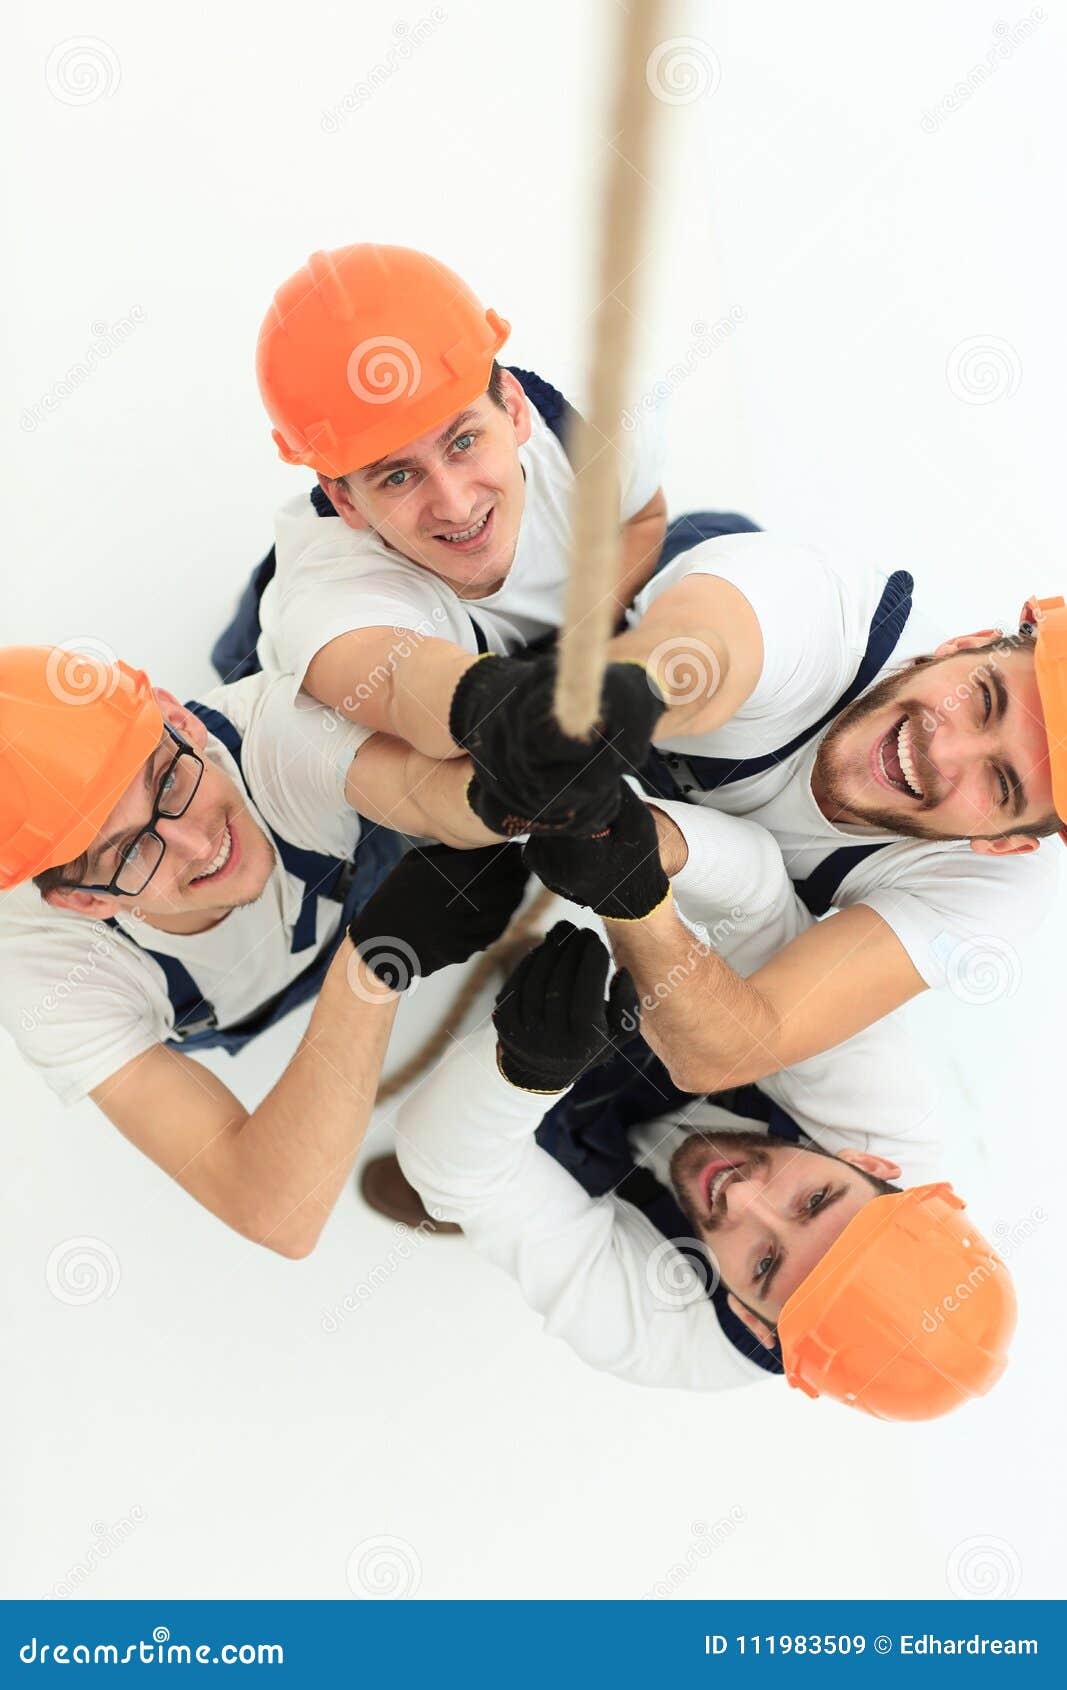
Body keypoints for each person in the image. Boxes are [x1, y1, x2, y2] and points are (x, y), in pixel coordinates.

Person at [0, 643, 528, 1254]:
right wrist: (368, 970)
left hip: (353, 868)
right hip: (265, 977)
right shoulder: (45, 972)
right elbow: (278, 1212)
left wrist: (535, 795)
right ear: (85, 902)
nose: (196, 843)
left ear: (180, 720)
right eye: (130, 851)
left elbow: (433, 789)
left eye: (168, 781)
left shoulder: (275, 728)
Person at [391, 919, 1016, 1420]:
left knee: (460, 1172)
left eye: (765, 1264)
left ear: (750, 1321)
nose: (742, 1196)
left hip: (584, 1175)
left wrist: (521, 1069)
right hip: (662, 1054)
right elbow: (763, 924)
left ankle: (498, 1172)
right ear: (868, 1163)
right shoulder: (884, 1107)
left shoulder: (658, 1334)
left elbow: (461, 1172)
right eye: (814, 1200)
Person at [514, 540, 1067, 1090]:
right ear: (963, 646)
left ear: (1004, 843)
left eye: (1000, 783)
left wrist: (635, 896)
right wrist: (615, 707)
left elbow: (726, 1055)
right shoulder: (814, 611)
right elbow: (660, 669)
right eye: (984, 701)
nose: (942, 752)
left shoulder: (996, 886)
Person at [214, 242, 668, 770]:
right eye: (399, 477)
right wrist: (528, 712)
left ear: (514, 407)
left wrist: (582, 644)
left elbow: (644, 518)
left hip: (537, 642)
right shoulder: (331, 594)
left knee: (712, 533)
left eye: (463, 442)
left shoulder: (594, 434)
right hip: (314, 676)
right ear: (343, 498)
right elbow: (401, 688)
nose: (455, 505)